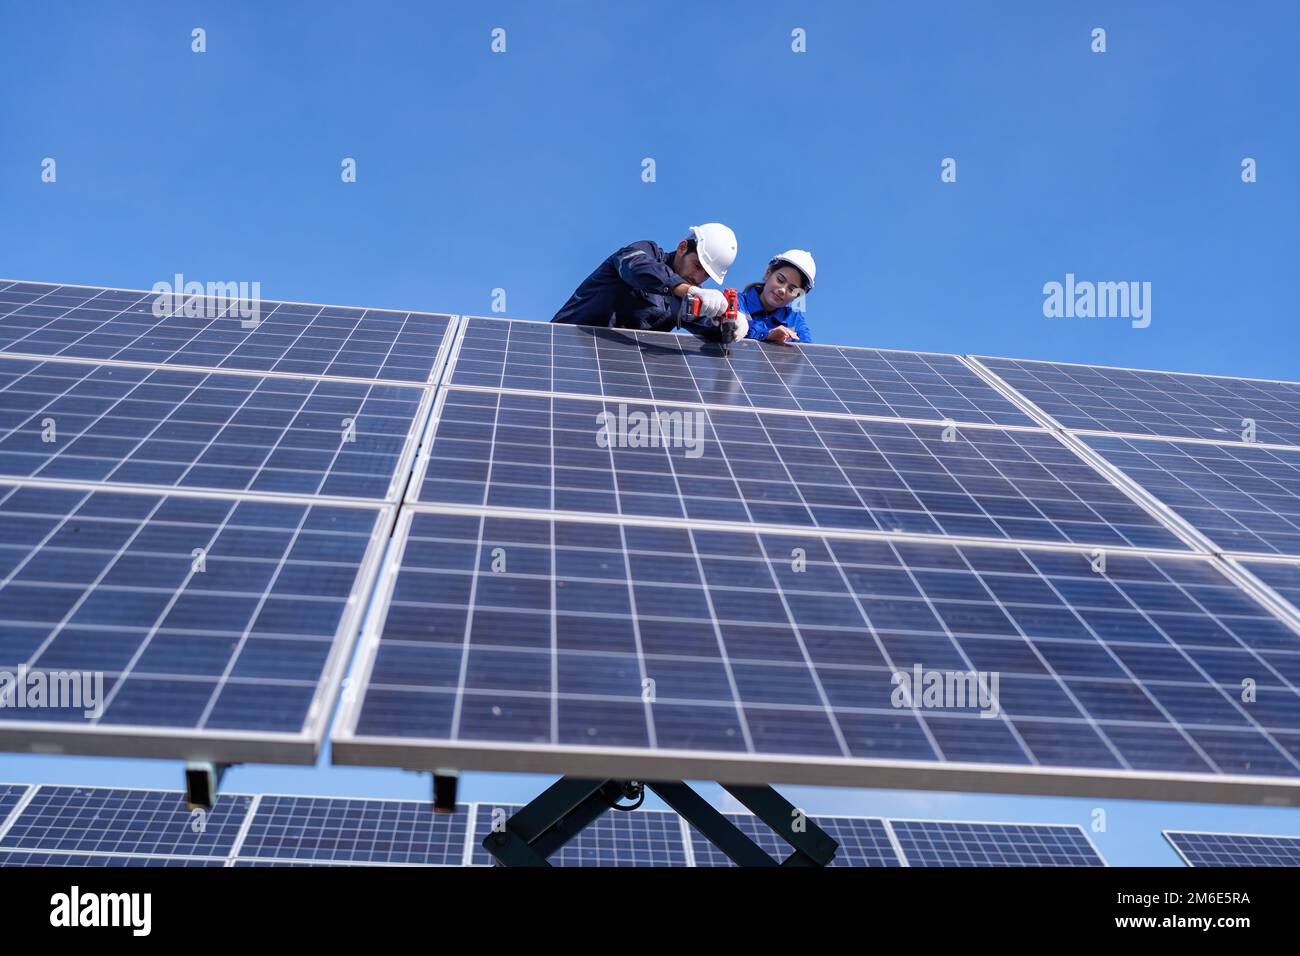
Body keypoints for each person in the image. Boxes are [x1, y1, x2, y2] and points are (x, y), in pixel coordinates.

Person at [551, 223, 738, 331]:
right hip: (568, 349)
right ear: (682, 247)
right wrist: (687, 290)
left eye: (707, 275)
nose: (698, 278)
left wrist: (732, 325)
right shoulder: (644, 253)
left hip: (614, 375)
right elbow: (636, 267)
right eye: (697, 266)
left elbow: (711, 326)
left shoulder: (689, 300)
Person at [734, 249, 816, 345]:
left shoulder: (794, 320)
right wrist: (766, 334)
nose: (782, 290)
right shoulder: (735, 301)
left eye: (791, 289)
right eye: (780, 280)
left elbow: (806, 349)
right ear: (768, 274)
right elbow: (731, 326)